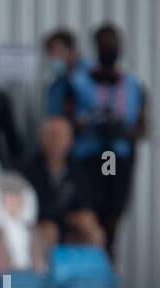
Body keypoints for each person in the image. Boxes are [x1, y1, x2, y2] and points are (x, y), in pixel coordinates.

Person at [64, 23, 148, 259]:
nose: (110, 49)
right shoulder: (77, 82)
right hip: (88, 159)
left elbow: (142, 126)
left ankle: (108, 269)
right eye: (105, 44)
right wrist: (90, 123)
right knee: (88, 216)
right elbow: (65, 120)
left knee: (113, 217)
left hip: (118, 159)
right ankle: (87, 269)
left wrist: (123, 131)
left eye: (113, 44)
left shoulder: (133, 85)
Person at [20, 116, 105, 259]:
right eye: (52, 135)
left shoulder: (80, 171)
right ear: (42, 140)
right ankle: (46, 277)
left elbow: (86, 205)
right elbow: (26, 209)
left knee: (94, 231)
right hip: (39, 225)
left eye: (61, 136)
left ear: (70, 142)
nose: (56, 141)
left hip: (69, 226)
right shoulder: (26, 170)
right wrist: (64, 217)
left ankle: (89, 276)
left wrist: (83, 218)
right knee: (49, 230)